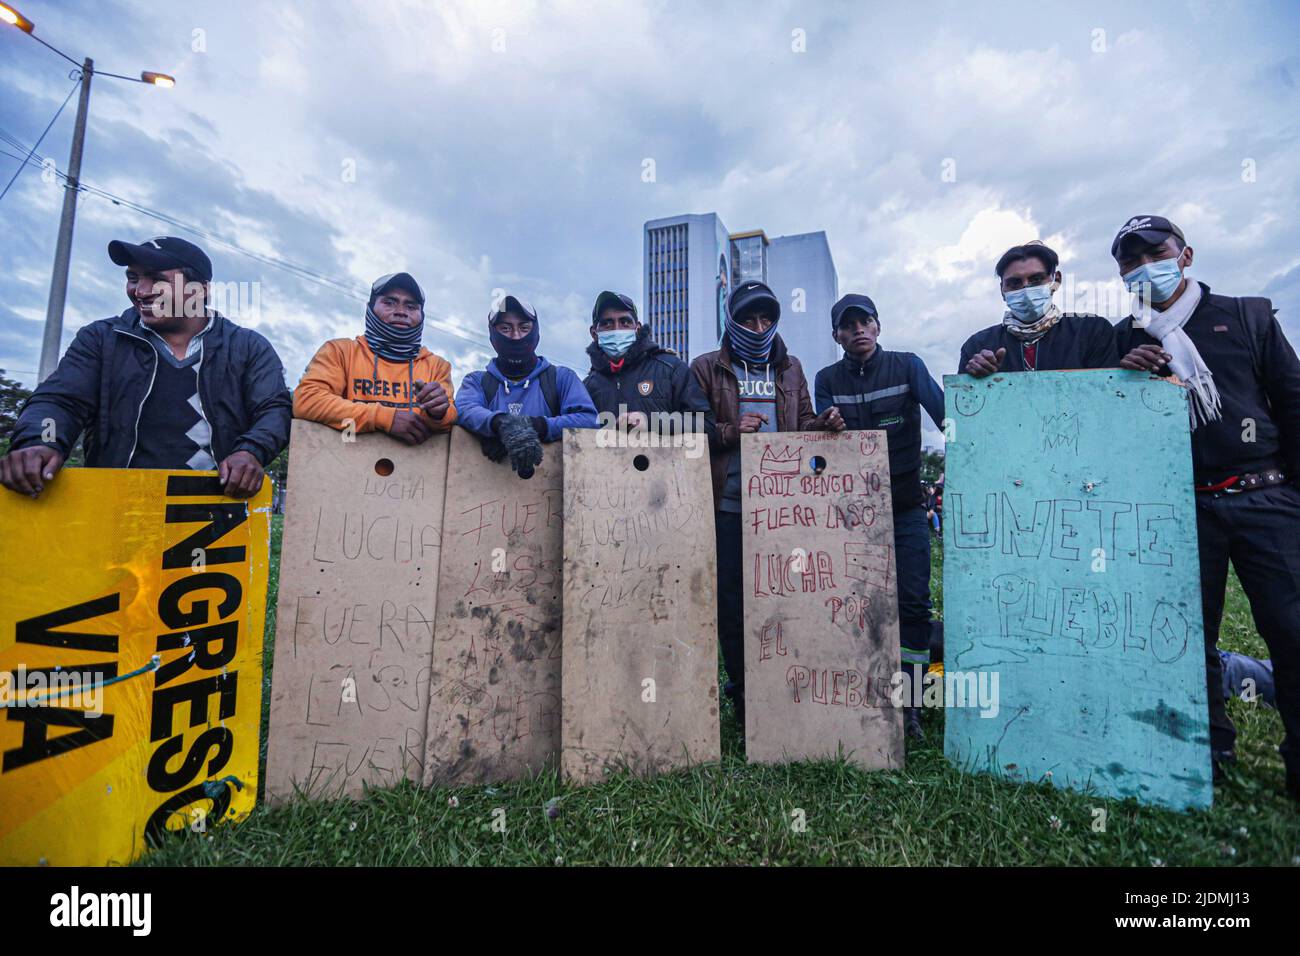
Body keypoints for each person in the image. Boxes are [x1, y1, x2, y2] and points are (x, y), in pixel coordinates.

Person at [1112, 214, 1300, 797]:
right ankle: (1209, 756)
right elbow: (1115, 417)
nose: (1145, 268)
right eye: (1130, 261)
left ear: (1185, 255)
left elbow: (1292, 400)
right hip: (1184, 508)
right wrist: (1127, 377)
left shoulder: (1248, 314)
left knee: (1291, 630)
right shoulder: (1127, 335)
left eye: (1155, 253)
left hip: (1264, 494)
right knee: (1191, 641)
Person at [1, 236, 290, 498]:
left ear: (199, 290)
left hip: (213, 514)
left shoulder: (248, 347)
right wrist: (41, 439)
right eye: (132, 278)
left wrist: (250, 451)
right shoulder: (102, 339)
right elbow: (60, 400)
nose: (140, 291)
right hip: (115, 508)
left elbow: (274, 410)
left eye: (156, 279)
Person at [690, 279, 841, 728]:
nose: (758, 327)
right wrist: (728, 430)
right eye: (748, 318)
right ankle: (742, 695)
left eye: (767, 318)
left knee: (786, 597)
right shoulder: (705, 368)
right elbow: (690, 428)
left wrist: (825, 424)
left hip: (784, 508)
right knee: (734, 606)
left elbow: (803, 422)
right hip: (729, 505)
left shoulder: (791, 367)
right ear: (731, 320)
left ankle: (786, 687)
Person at [814, 293, 945, 738]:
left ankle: (912, 706)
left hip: (907, 507)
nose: (858, 332)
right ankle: (860, 691)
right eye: (848, 327)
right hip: (852, 515)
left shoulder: (908, 366)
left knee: (912, 603)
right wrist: (822, 425)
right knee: (857, 603)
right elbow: (817, 444)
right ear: (837, 336)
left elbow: (948, 417)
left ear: (878, 326)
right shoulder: (826, 379)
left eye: (865, 322)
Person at [294, 272, 457, 443]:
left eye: (411, 306)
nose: (401, 312)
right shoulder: (339, 351)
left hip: (414, 466)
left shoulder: (437, 366)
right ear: (370, 309)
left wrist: (438, 413)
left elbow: (449, 421)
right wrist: (384, 417)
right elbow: (307, 400)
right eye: (389, 303)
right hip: (344, 461)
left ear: (422, 316)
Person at [455, 293, 598, 476]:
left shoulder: (562, 378)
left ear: (536, 332)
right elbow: (464, 409)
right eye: (505, 328)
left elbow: (588, 420)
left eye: (524, 327)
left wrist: (537, 426)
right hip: (484, 493)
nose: (515, 336)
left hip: (549, 493)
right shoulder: (477, 381)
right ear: (492, 336)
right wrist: (499, 425)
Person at [960, 241, 1117, 375]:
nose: (1026, 289)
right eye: (1015, 283)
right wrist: (976, 378)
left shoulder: (1091, 331)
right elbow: (966, 404)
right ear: (1002, 289)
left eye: (1036, 279)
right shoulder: (978, 346)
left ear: (1056, 282)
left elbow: (1111, 394)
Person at [582, 290, 714, 441]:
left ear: (637, 328)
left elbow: (706, 425)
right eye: (607, 324)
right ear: (594, 333)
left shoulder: (671, 369)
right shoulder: (587, 387)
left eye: (625, 322)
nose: (617, 329)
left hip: (663, 464)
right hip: (607, 464)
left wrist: (651, 423)